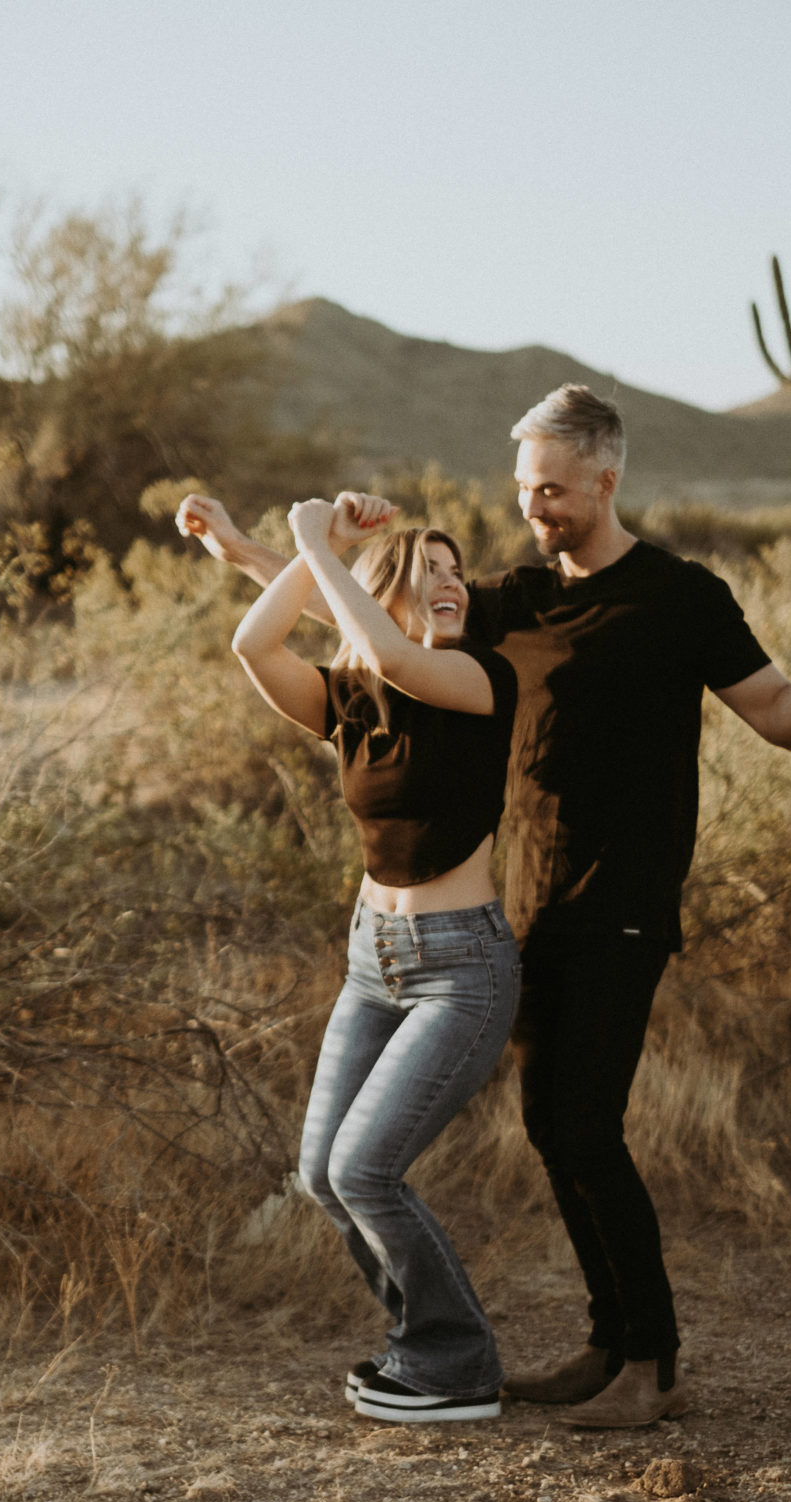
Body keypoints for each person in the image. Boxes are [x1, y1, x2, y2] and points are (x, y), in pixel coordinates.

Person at [177, 384, 791, 1430]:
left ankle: (653, 1363)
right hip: (531, 903)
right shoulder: (519, 598)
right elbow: (373, 615)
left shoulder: (681, 596)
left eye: (550, 489)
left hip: (624, 901)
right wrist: (244, 551)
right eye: (522, 489)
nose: (534, 507)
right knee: (554, 1125)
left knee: (583, 1124)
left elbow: (778, 719)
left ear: (605, 477)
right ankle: (609, 1343)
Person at [175, 489, 520, 1424]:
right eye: (429, 571)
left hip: (462, 968)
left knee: (366, 1170)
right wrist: (312, 544)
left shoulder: (482, 680)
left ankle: (458, 1364)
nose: (452, 583)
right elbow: (257, 645)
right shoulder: (350, 699)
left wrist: (300, 536)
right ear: (383, 591)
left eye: (457, 572)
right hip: (374, 961)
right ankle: (422, 1347)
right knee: (324, 1171)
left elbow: (396, 651)